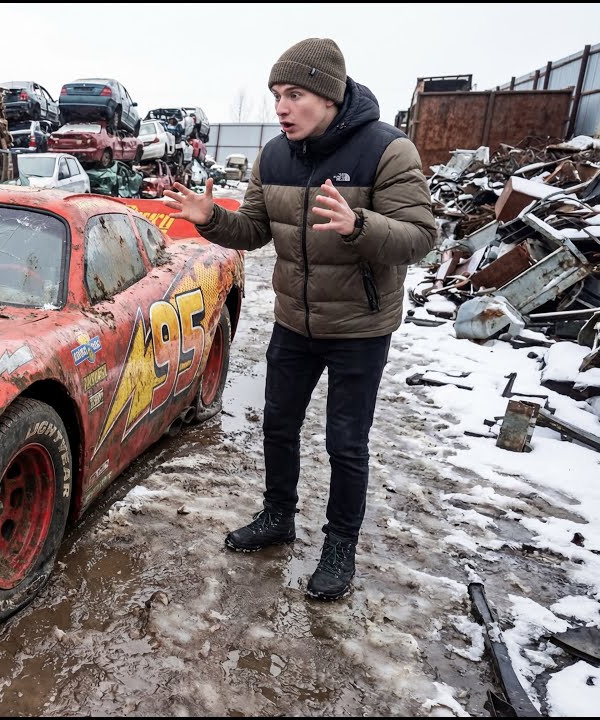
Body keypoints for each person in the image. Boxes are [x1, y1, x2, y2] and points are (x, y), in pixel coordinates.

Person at [160, 38, 437, 601]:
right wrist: (212, 218)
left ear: (330, 97)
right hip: (294, 321)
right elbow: (256, 231)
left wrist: (360, 226)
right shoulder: (275, 156)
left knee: (346, 443)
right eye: (276, 95)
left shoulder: (388, 151)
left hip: (359, 328)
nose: (281, 107)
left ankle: (339, 546)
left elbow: (420, 240)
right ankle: (278, 515)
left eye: (295, 94)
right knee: (278, 423)